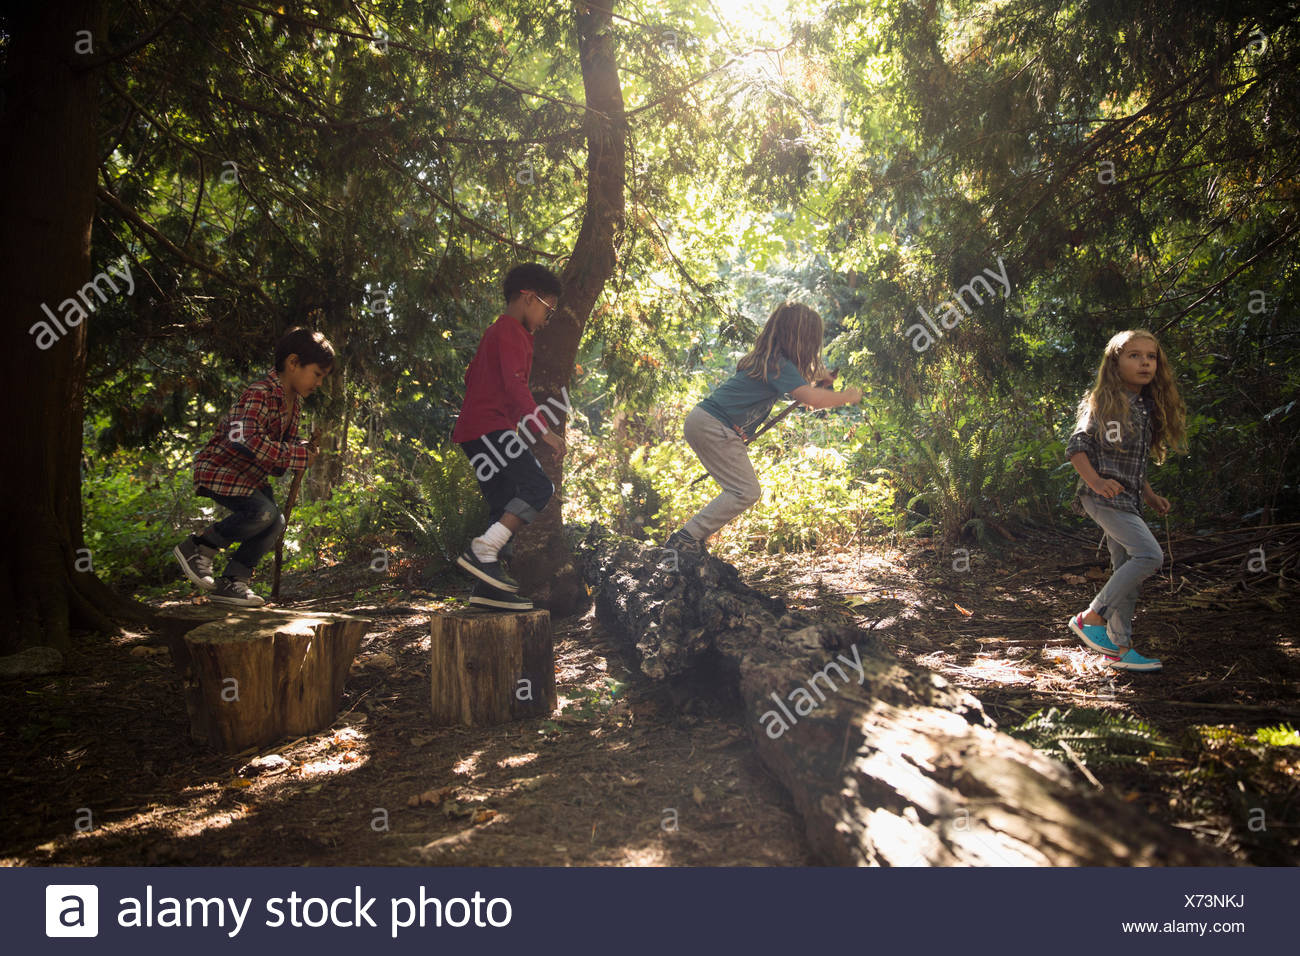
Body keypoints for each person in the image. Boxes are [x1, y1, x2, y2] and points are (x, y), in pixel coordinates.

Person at [663, 301, 861, 556]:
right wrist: (848, 396)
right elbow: (812, 398)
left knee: (740, 489)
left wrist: (819, 378)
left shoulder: (770, 363)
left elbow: (805, 389)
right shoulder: (779, 365)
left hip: (703, 421)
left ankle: (689, 540)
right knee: (745, 491)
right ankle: (686, 538)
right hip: (715, 425)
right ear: (801, 340)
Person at [173, 327, 333, 607]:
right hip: (223, 469)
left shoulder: (293, 405)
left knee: (276, 522)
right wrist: (295, 454)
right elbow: (244, 439)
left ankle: (233, 580)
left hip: (249, 478)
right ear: (293, 363)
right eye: (317, 374)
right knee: (264, 512)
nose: (319, 383)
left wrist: (302, 448)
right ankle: (200, 546)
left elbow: (280, 444)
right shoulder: (259, 393)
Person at [1065, 328, 1186, 671]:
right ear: (1115, 364)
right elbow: (1076, 448)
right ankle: (1090, 618)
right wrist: (1098, 482)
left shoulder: (1144, 407)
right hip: (1103, 500)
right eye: (1135, 356)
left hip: (1127, 501)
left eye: (1151, 356)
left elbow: (1133, 464)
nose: (1145, 362)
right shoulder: (1104, 401)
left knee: (1126, 572)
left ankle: (1117, 650)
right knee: (1149, 555)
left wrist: (1148, 494)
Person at [452, 263, 566, 611]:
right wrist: (543, 431)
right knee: (538, 487)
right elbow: (516, 386)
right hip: (490, 428)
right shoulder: (512, 333)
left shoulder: (495, 333)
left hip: (475, 432)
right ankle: (483, 551)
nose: (548, 319)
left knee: (503, 501)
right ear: (528, 297)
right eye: (548, 309)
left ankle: (487, 589)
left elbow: (473, 379)